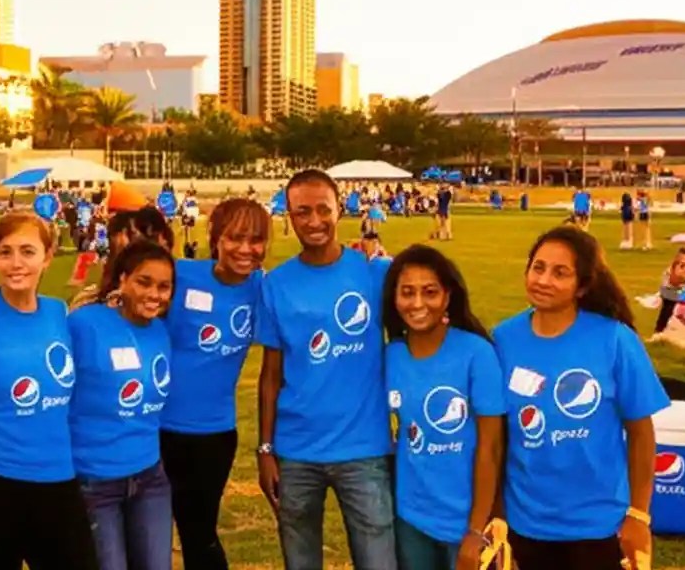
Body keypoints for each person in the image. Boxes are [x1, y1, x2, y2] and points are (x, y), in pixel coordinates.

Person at [493, 226, 669, 570]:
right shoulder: (504, 339)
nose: (544, 280)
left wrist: (638, 514)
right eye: (538, 267)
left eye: (561, 273)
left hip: (599, 525)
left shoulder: (614, 340)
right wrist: (498, 516)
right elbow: (496, 437)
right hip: (527, 523)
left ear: (583, 285)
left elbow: (641, 433)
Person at [256, 169, 396, 570]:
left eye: (323, 210)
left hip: (365, 449)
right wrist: (265, 449)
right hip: (296, 451)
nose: (314, 221)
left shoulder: (374, 271)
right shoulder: (277, 284)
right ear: (290, 216)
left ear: (340, 210)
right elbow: (270, 375)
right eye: (303, 212)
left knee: (379, 562)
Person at [0, 213, 98, 570]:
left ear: (47, 256)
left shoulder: (59, 314)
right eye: (5, 252)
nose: (16, 263)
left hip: (56, 479)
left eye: (28, 251)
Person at [161, 198, 269, 570]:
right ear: (215, 237)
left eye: (256, 240)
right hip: (151, 428)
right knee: (150, 534)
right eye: (235, 238)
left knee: (199, 534)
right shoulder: (180, 275)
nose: (245, 249)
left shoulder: (264, 290)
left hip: (213, 434)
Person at [383, 245, 504, 570]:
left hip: (467, 523)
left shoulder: (477, 354)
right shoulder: (391, 356)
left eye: (430, 292)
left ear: (447, 296)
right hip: (411, 520)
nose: (418, 303)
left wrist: (477, 530)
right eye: (407, 292)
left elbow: (490, 448)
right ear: (394, 298)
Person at [69, 240, 176, 570]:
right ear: (122, 280)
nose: (153, 294)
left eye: (163, 287)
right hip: (95, 482)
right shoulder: (85, 325)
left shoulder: (160, 332)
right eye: (144, 282)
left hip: (149, 478)